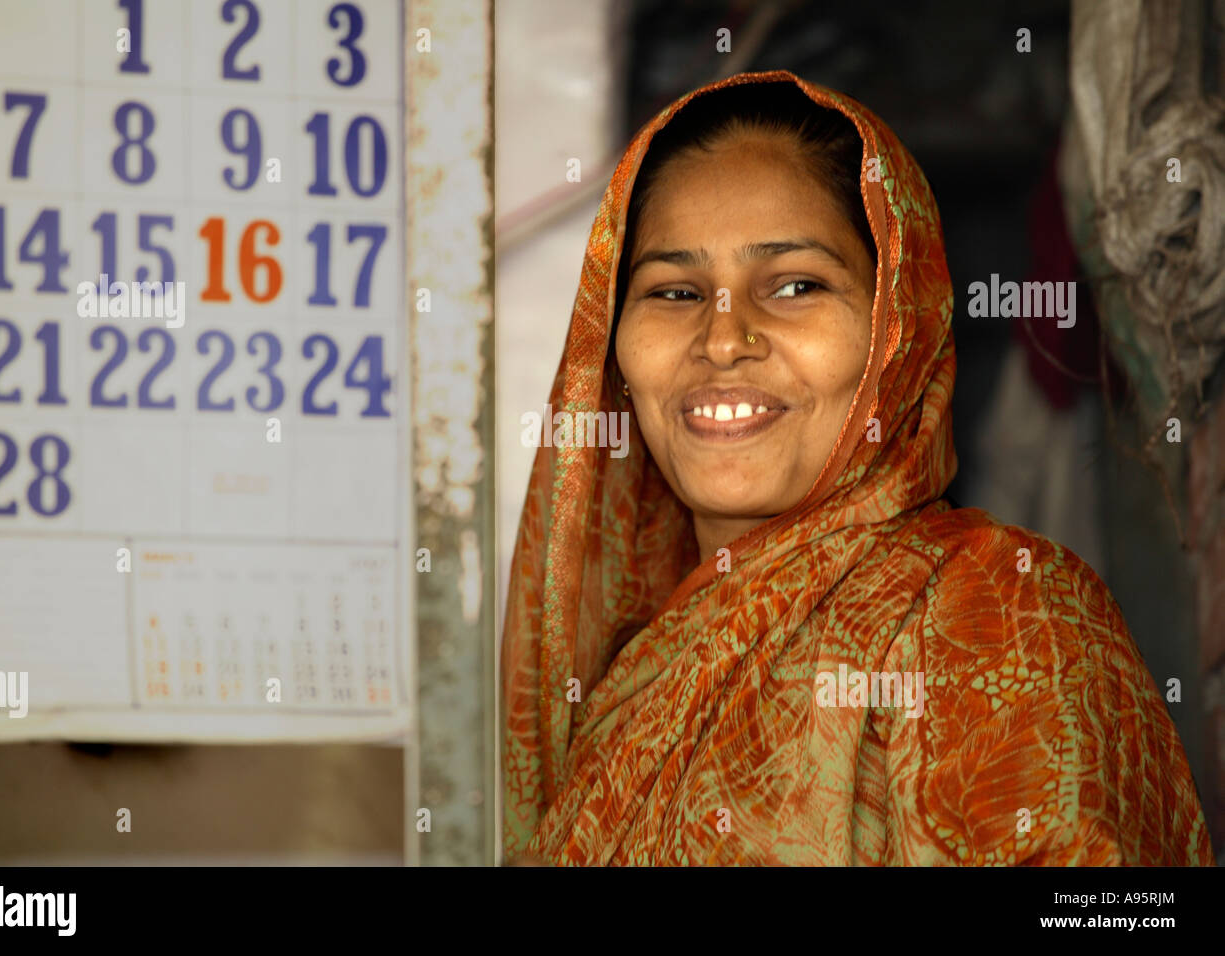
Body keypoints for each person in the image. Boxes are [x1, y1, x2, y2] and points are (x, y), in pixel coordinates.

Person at [500, 70, 1213, 865]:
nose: (724, 339)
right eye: (674, 291)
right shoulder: (628, 687)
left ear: (895, 331)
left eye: (796, 284)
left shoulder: (998, 612)